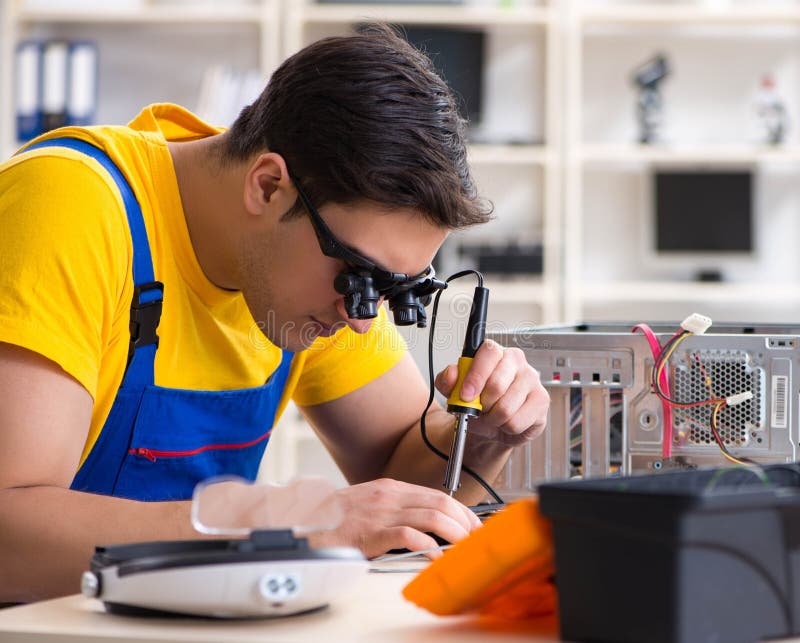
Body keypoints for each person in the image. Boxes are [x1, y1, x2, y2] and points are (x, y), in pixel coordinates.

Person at [0, 25, 549, 602]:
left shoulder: (318, 269)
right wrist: (286, 526)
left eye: (393, 288)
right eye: (359, 279)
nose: (363, 320)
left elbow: (397, 479)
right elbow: (9, 531)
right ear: (267, 187)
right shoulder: (69, 206)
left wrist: (483, 433)